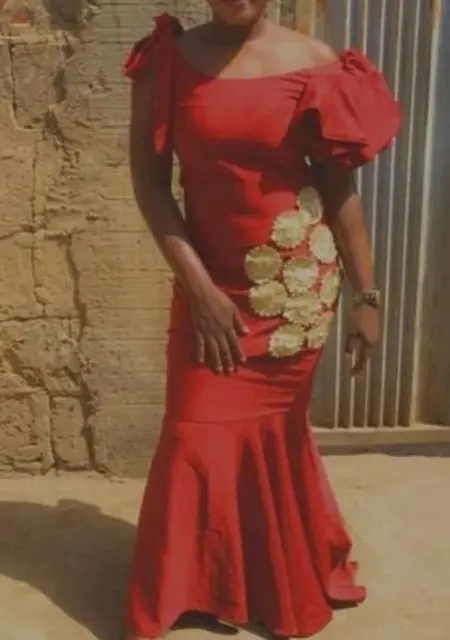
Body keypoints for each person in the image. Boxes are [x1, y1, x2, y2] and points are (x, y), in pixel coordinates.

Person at [123, 1, 401, 638]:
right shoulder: (166, 62)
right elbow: (150, 182)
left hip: (291, 289)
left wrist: (368, 297)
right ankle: (190, 586)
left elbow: (340, 192)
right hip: (208, 283)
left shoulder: (316, 65)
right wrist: (199, 289)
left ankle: (274, 581)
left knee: (276, 436)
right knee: (193, 434)